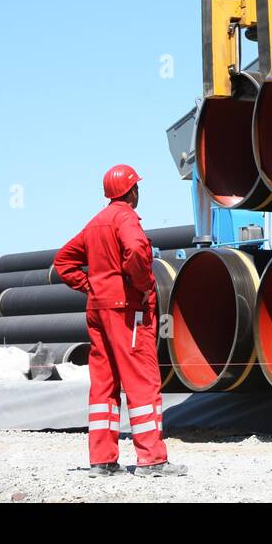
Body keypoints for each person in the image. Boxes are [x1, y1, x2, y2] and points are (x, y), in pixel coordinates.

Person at [53, 165, 185, 477]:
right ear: (132, 191)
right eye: (138, 187)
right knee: (142, 379)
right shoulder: (126, 218)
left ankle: (102, 460)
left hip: (98, 309)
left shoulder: (96, 222)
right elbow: (138, 251)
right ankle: (152, 459)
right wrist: (142, 285)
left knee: (104, 383)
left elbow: (63, 261)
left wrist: (90, 286)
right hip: (126, 310)